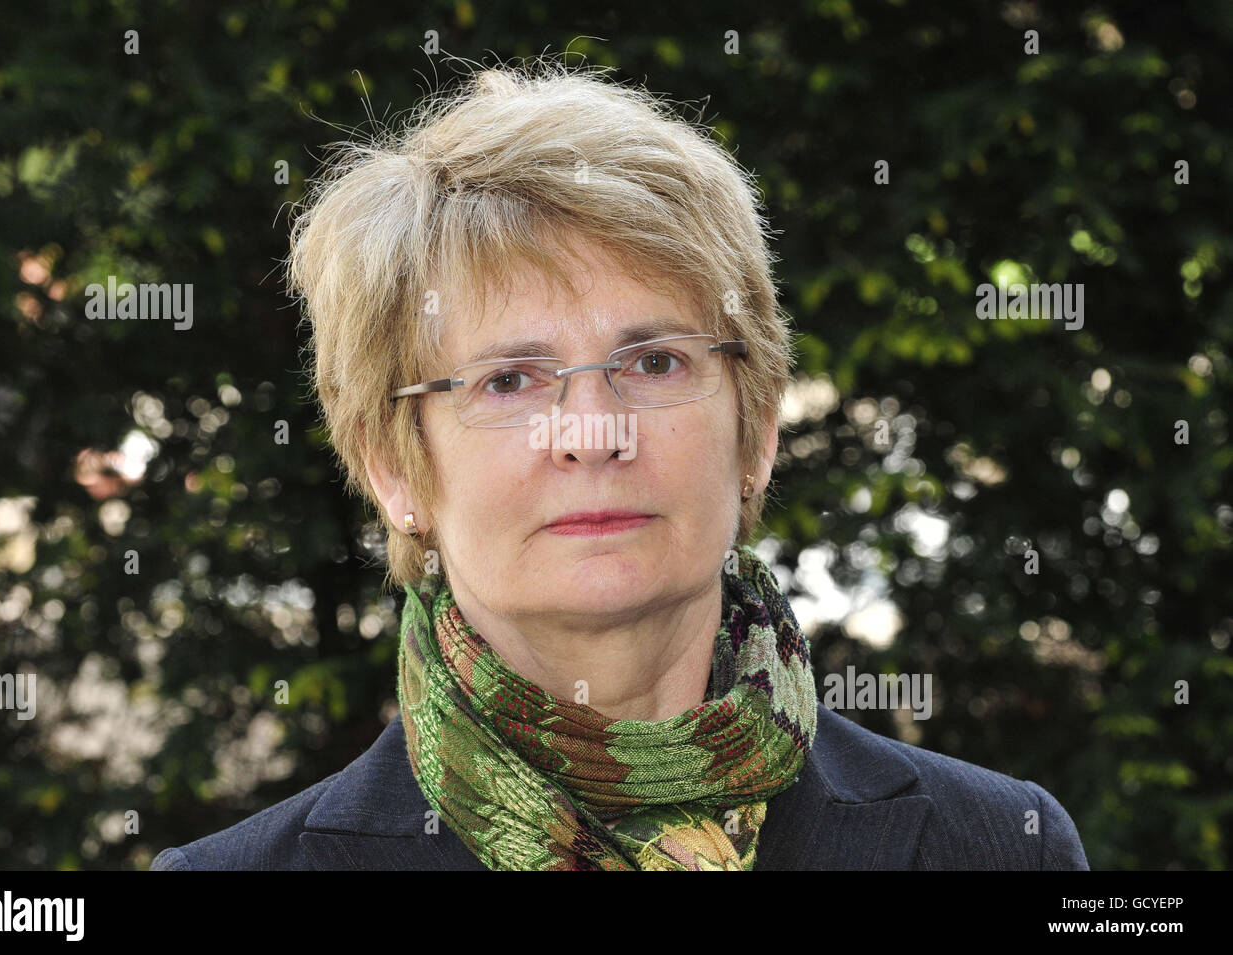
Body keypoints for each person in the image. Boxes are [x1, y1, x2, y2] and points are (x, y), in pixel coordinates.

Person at [151, 60, 1088, 871]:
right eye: (511, 379)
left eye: (654, 362)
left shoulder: (1005, 844)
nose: (593, 432)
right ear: (397, 469)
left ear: (755, 426)